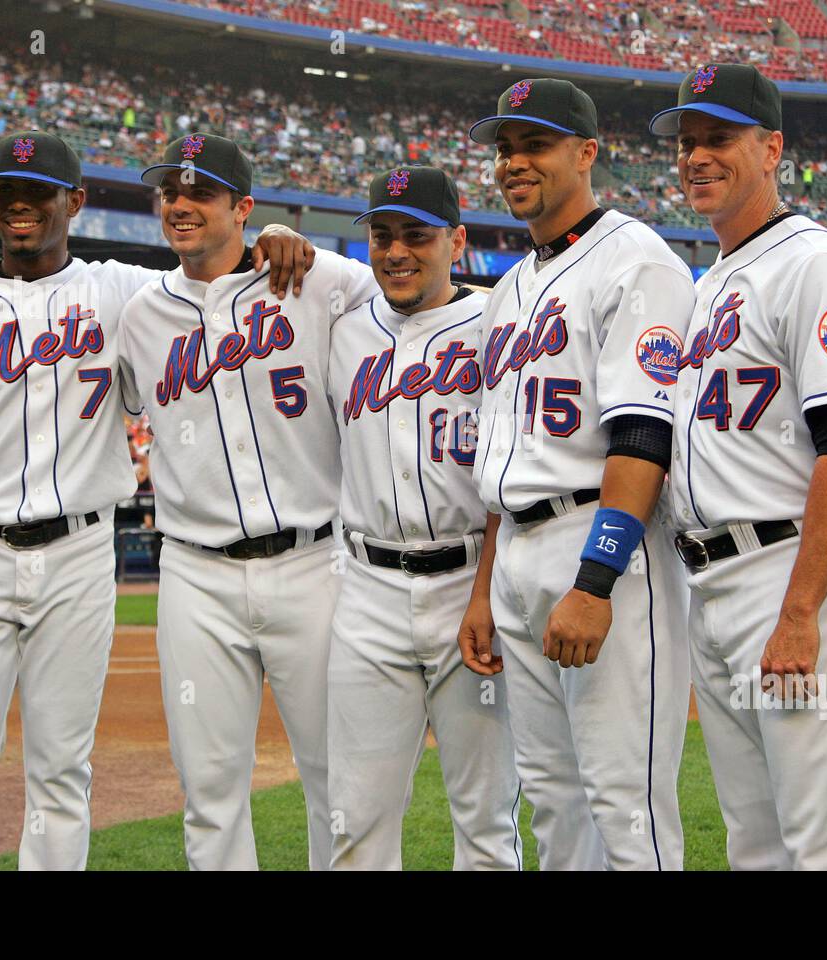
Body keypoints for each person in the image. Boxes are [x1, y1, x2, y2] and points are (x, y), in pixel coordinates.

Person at [0, 130, 313, 871]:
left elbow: (209, 269)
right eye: (6, 191)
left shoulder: (122, 290)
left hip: (78, 553)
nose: (19, 204)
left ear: (73, 201)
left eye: (37, 191)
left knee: (61, 768)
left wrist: (269, 234)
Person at [650, 64, 827, 869]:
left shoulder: (814, 265)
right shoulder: (713, 279)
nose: (696, 156)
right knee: (755, 841)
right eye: (687, 142)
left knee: (820, 840)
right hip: (713, 582)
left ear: (772, 148)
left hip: (790, 572)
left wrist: (798, 611)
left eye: (719, 138)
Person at [117, 134, 378, 870]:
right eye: (171, 191)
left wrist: (301, 240)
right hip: (196, 575)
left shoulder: (318, 280)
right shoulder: (138, 314)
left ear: (245, 208)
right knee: (209, 791)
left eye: (202, 192)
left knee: (340, 781)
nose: (181, 204)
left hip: (316, 561)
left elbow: (414, 289)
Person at [461, 78, 695, 870]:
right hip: (520, 550)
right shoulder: (510, 289)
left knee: (625, 801)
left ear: (587, 153)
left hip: (599, 545)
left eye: (535, 144)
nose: (513, 162)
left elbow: (642, 437)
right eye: (504, 147)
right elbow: (500, 459)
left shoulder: (636, 260)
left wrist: (595, 581)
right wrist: (487, 583)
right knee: (554, 797)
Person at [325, 165, 520, 870]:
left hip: (471, 582)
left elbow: (511, 476)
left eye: (417, 235)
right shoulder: (343, 331)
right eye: (382, 235)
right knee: (355, 821)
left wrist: (487, 593)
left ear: (457, 241)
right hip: (367, 589)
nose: (398, 251)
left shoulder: (500, 321)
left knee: (487, 821)